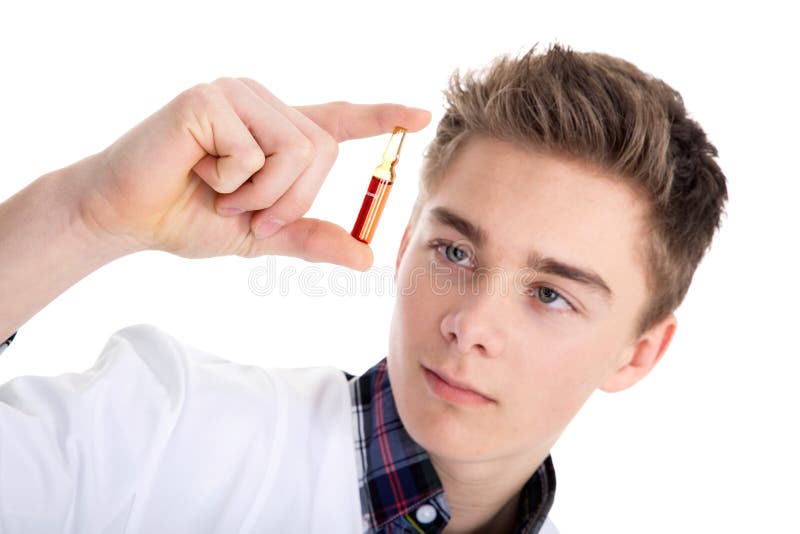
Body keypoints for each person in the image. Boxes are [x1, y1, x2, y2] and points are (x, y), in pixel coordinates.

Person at [0, 43, 727, 533]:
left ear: (637, 354)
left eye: (549, 295)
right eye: (454, 250)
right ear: (406, 243)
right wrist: (81, 215)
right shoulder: (163, 426)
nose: (471, 324)